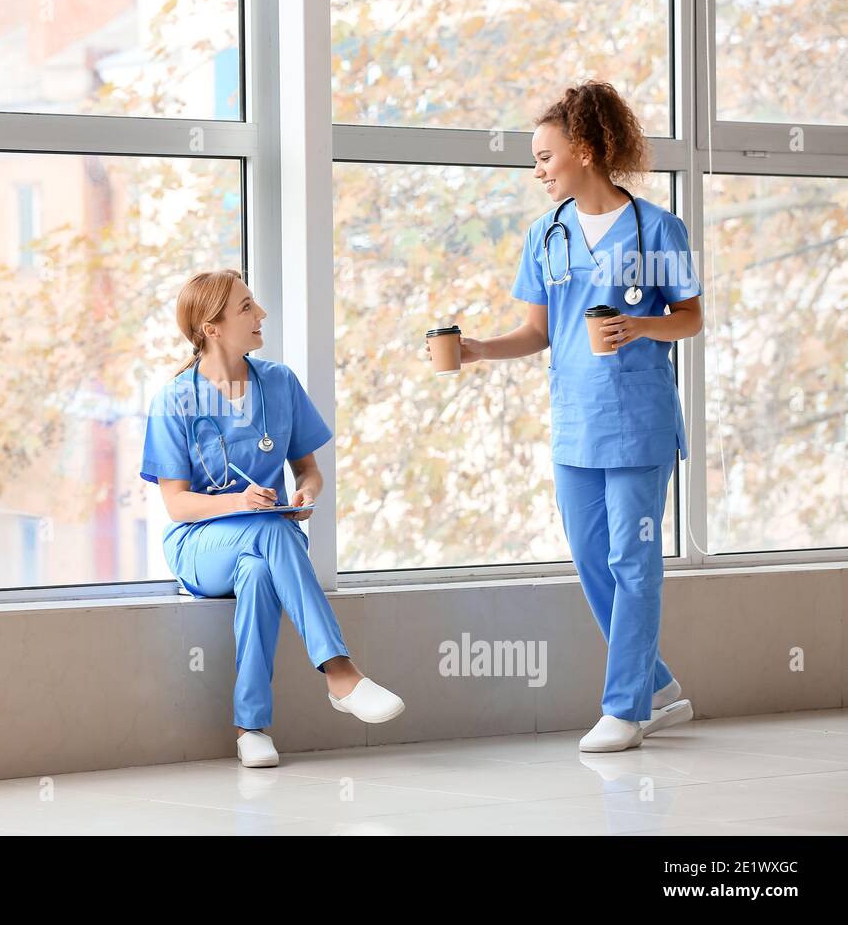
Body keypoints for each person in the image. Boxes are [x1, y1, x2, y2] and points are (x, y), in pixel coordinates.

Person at [429, 82, 702, 753]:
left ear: (585, 149)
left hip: (637, 422)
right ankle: (659, 688)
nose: (539, 170)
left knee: (632, 560)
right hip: (575, 422)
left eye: (546, 156)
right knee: (592, 561)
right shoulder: (544, 235)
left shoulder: (660, 229)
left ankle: (627, 708)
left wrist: (638, 326)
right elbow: (538, 332)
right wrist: (478, 350)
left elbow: (691, 318)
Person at [141, 269, 405, 767]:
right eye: (246, 308)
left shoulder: (279, 383)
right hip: (198, 546)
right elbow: (177, 504)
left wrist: (305, 492)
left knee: (260, 571)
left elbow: (309, 471)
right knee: (269, 530)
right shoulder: (174, 400)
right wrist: (239, 502)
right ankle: (340, 673)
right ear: (212, 327)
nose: (260, 314)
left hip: (268, 541)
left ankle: (251, 728)